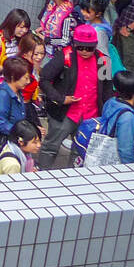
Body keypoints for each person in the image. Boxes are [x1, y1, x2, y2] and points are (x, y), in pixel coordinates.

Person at [38, 24, 112, 169]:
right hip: (65, 114)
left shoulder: (103, 61)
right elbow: (44, 79)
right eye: (80, 47)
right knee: (50, 147)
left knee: (81, 151)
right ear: (75, 44)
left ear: (95, 46)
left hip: (91, 116)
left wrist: (106, 113)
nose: (84, 51)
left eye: (89, 48)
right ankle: (42, 174)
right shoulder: (64, 56)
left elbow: (107, 89)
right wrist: (60, 98)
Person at [96, 70, 134, 164]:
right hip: (114, 161)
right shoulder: (127, 116)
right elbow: (125, 150)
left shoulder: (111, 101)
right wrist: (132, 168)